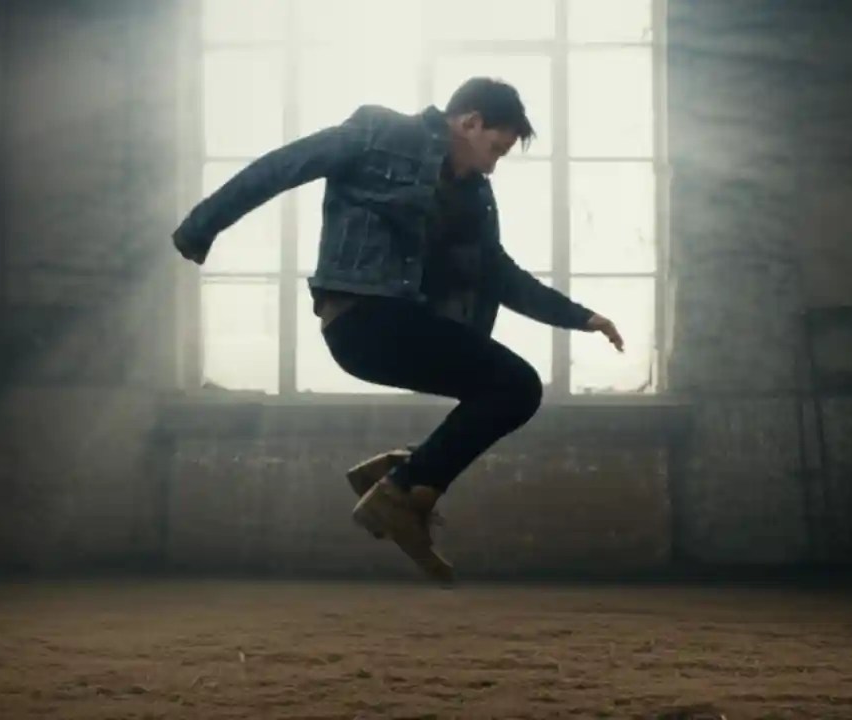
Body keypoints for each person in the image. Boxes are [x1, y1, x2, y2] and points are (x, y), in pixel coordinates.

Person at [173, 77, 624, 585]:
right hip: (361, 317)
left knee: (513, 389)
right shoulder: (377, 131)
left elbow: (497, 274)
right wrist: (201, 226)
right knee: (512, 384)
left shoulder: (475, 198)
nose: (492, 164)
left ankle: (405, 480)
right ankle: (402, 486)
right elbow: (284, 165)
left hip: (403, 325)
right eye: (494, 148)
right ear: (469, 122)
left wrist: (580, 317)